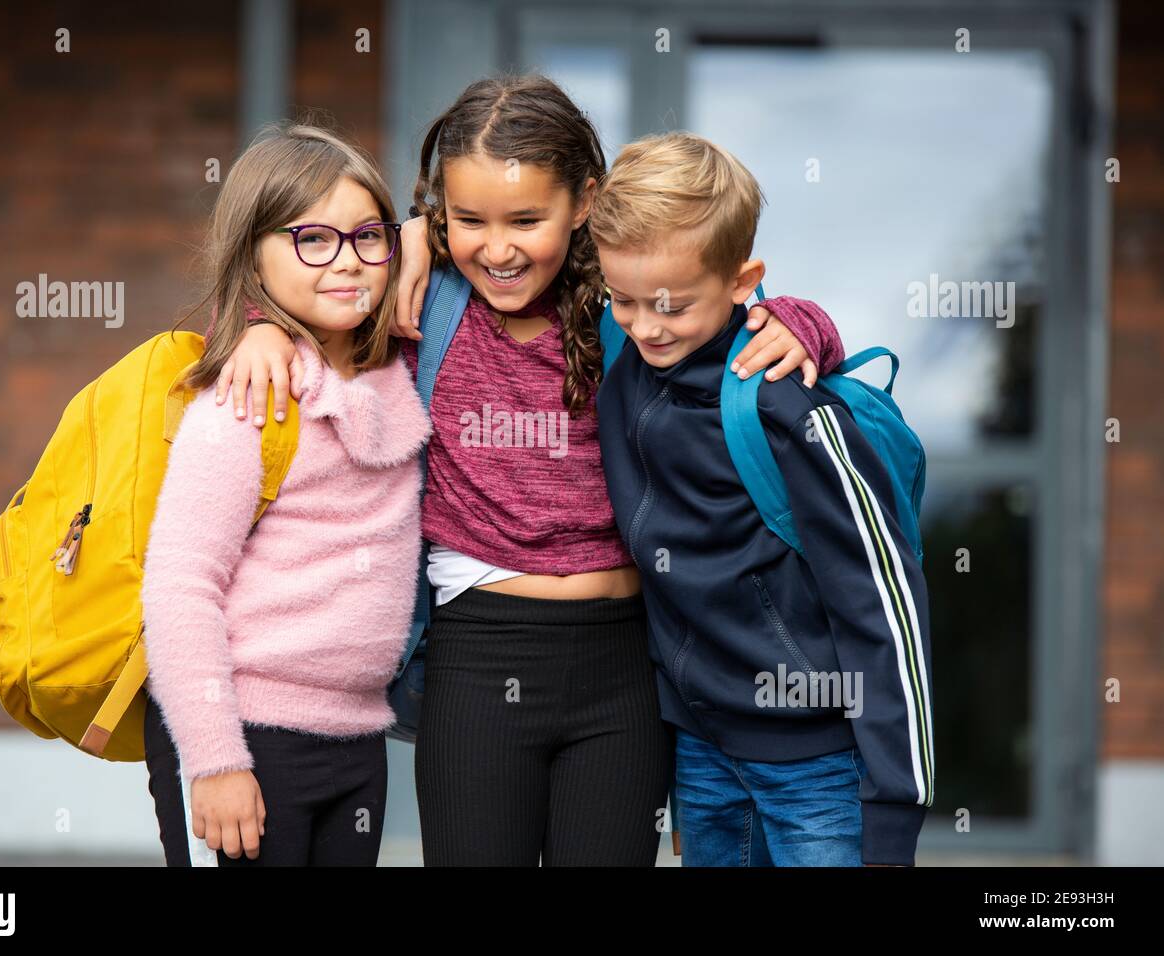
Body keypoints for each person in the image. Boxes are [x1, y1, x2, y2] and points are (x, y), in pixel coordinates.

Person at [214, 74, 846, 866]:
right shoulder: (423, 300)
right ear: (440, 209)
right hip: (477, 665)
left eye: (526, 219)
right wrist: (259, 329)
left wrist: (803, 325)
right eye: (469, 219)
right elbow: (309, 283)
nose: (499, 247)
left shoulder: (624, 305)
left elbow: (726, 306)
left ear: (584, 202)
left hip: (623, 668)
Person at [590, 131, 935, 866]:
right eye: (622, 300)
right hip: (704, 755)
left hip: (820, 768)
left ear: (743, 281)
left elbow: (887, 608)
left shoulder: (786, 409)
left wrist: (896, 808)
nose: (646, 326)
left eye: (671, 306)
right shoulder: (622, 367)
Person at [140, 122, 431, 866]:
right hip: (253, 741)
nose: (348, 262)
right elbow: (180, 589)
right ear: (253, 257)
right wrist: (214, 761)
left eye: (369, 237)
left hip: (360, 742)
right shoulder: (247, 403)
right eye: (313, 239)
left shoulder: (400, 374)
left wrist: (418, 235)